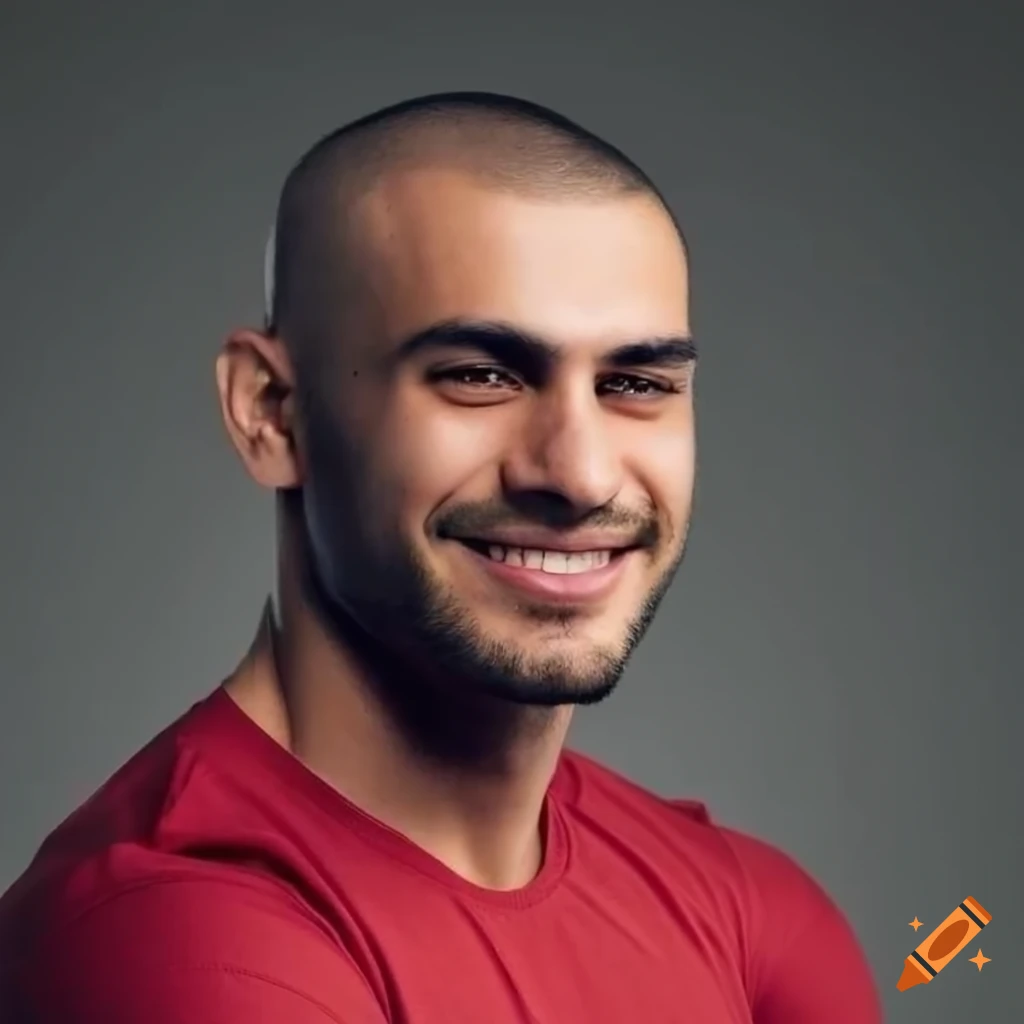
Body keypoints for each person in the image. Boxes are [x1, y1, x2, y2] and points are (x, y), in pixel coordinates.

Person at [0, 91, 882, 1022]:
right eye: (481, 376)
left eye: (634, 383)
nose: (580, 475)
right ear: (271, 412)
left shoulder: (750, 917)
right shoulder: (170, 942)